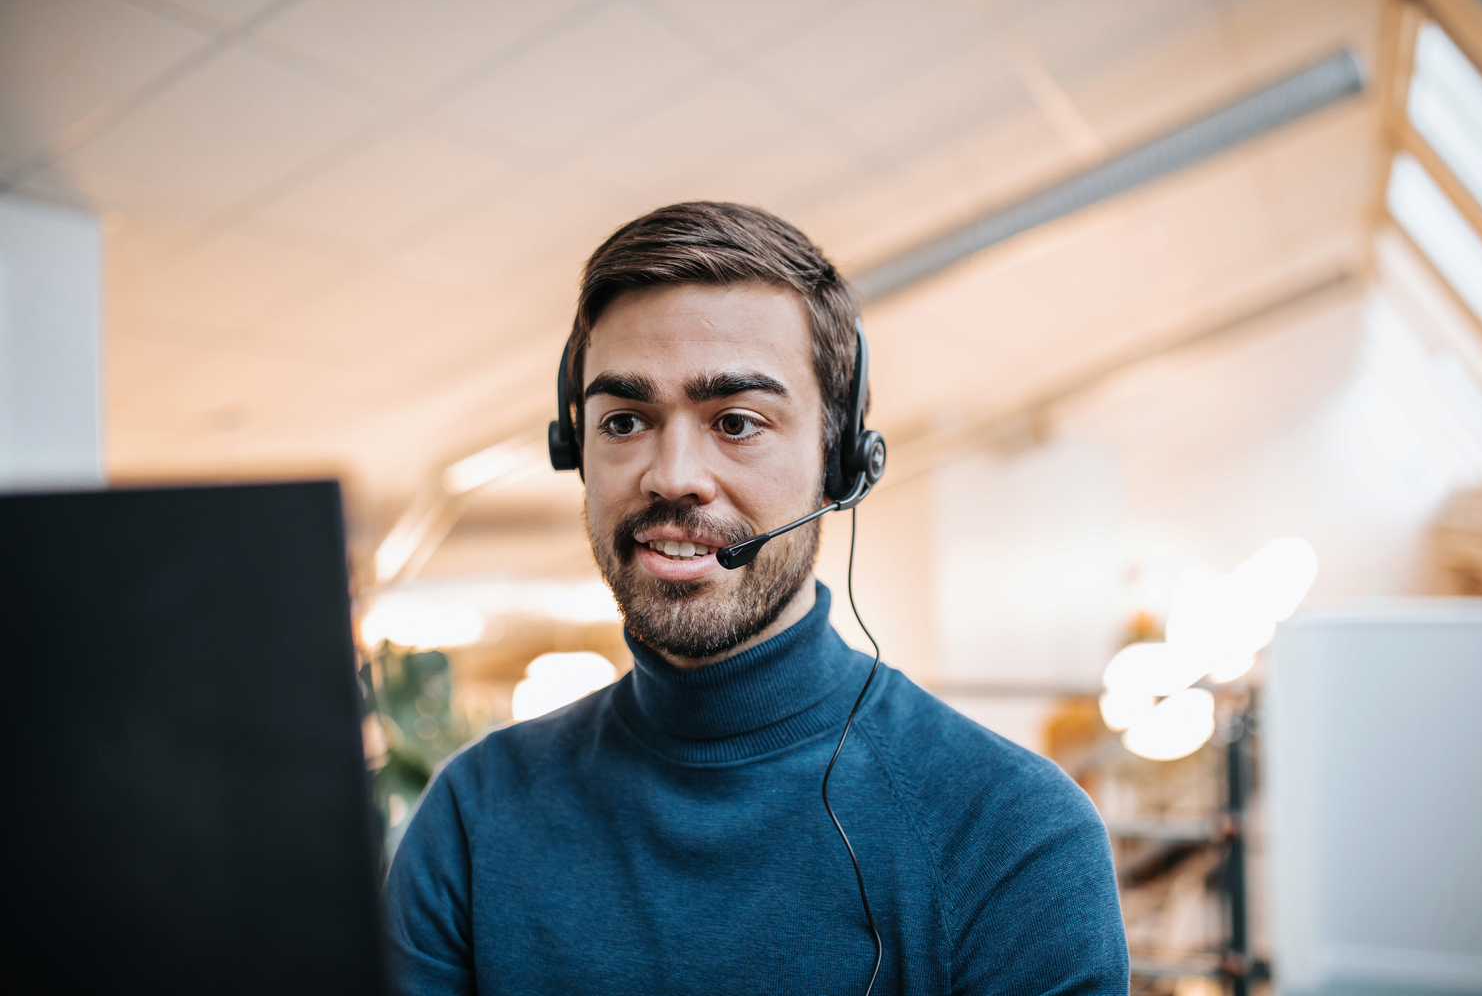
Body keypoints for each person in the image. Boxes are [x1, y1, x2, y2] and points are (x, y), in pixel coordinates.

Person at [384, 202, 1129, 995]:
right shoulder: (473, 818)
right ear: (577, 447)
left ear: (840, 463)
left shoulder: (1014, 834)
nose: (672, 476)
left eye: (736, 422)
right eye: (626, 420)